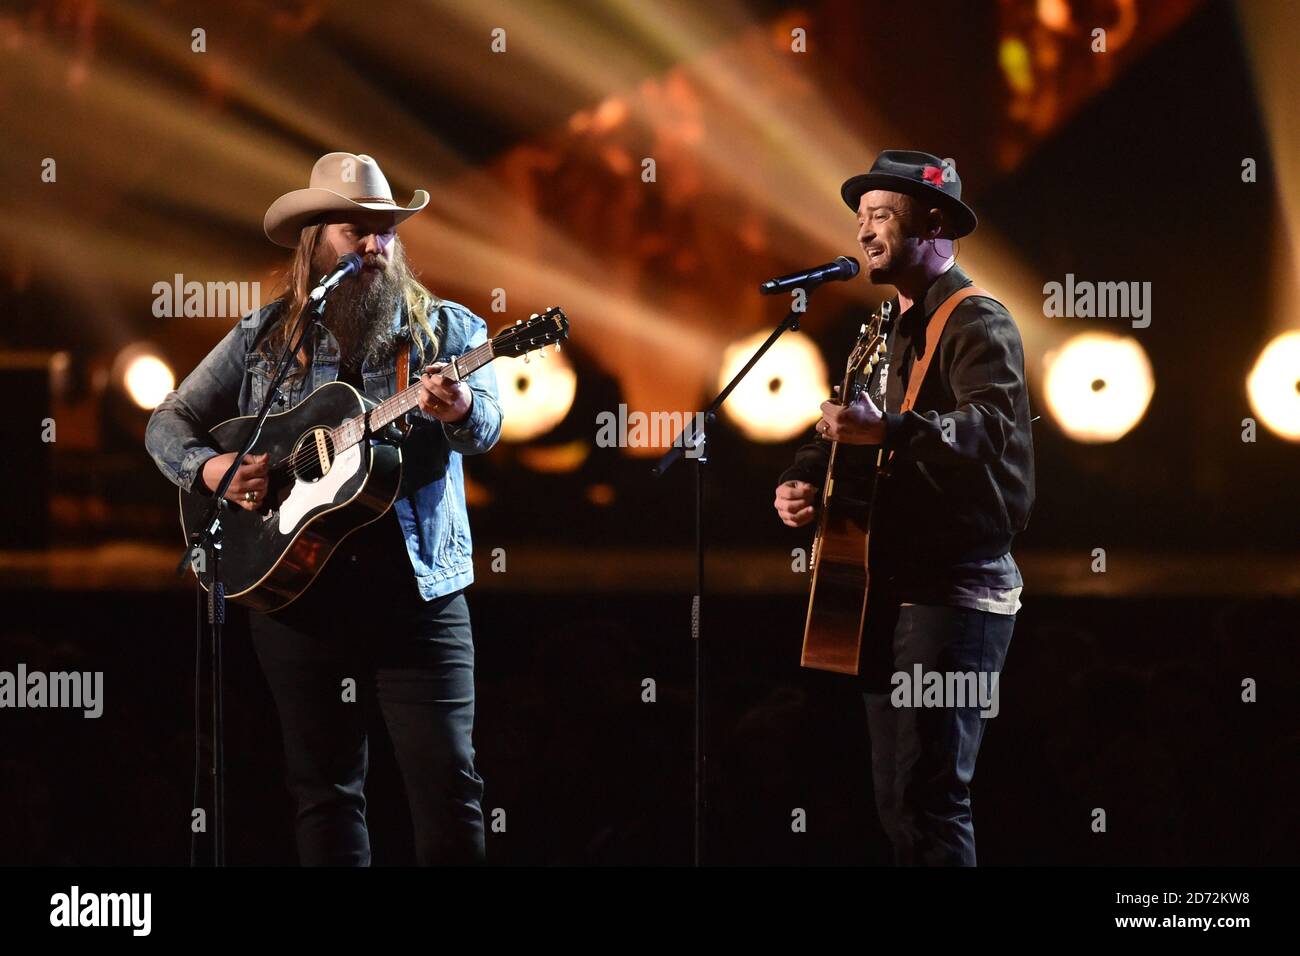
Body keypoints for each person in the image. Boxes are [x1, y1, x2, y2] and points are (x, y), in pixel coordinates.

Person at [146, 151, 502, 865]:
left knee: (448, 788)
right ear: (316, 241)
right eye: (356, 230)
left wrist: (459, 404)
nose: (375, 245)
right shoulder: (263, 337)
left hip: (418, 598)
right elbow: (168, 421)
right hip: (298, 595)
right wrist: (214, 468)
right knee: (326, 793)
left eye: (387, 231)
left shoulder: (446, 331)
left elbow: (487, 427)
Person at [774, 149, 1035, 865]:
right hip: (881, 592)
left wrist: (890, 429)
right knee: (896, 805)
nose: (862, 233)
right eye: (860, 219)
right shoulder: (879, 330)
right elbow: (835, 427)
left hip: (954, 593)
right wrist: (800, 477)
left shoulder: (977, 321)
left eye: (881, 216)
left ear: (935, 224)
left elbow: (990, 428)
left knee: (930, 796)